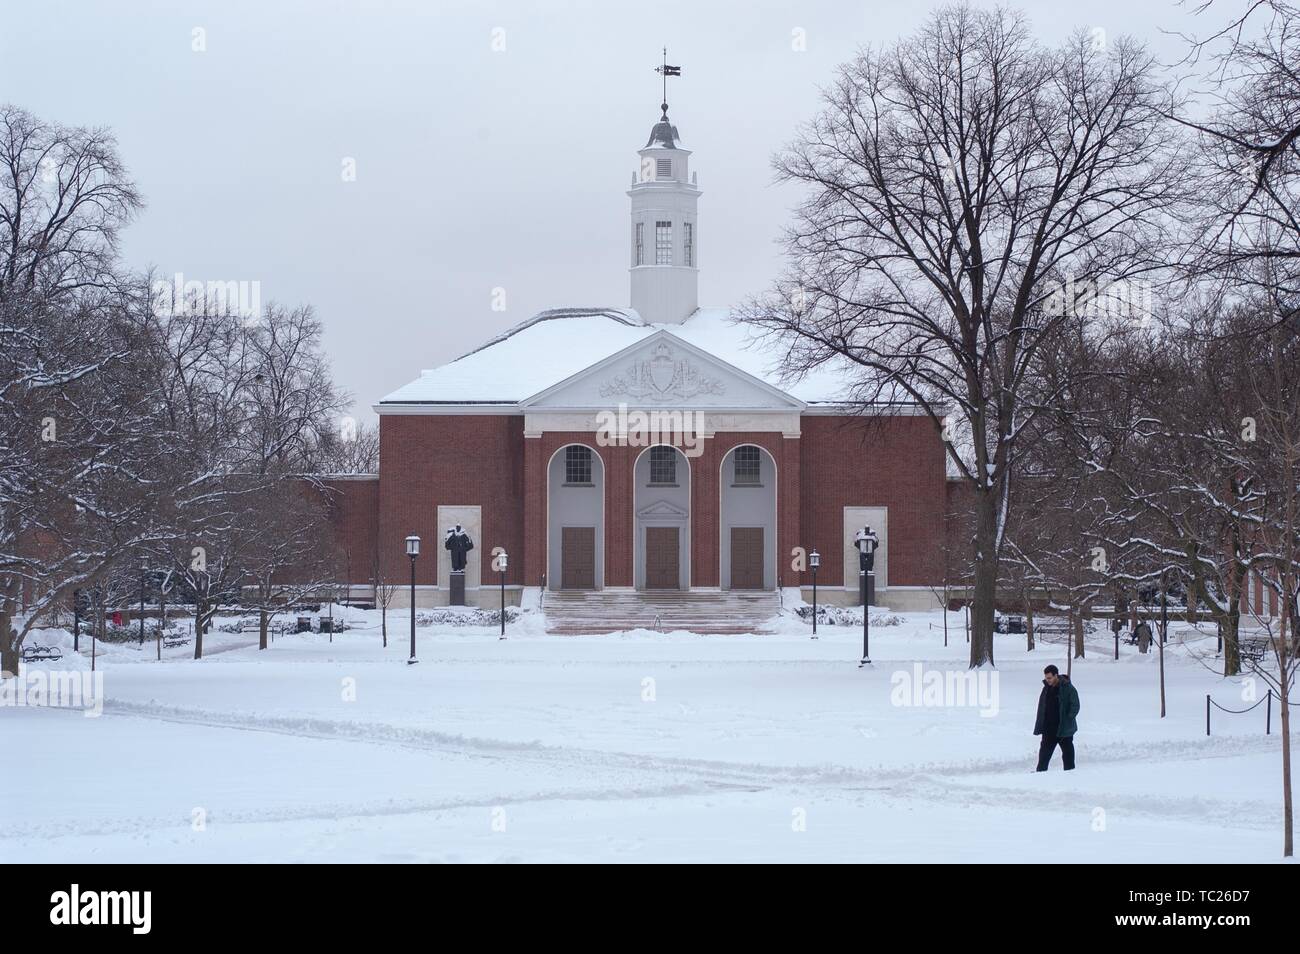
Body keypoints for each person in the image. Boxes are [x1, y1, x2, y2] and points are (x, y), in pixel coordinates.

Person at [1033, 664, 1079, 771]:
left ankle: (1070, 774)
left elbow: (1075, 706)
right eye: (1046, 678)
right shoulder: (1046, 689)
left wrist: (1067, 719)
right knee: (1044, 756)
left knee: (1068, 755)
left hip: (1063, 728)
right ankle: (1040, 774)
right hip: (1048, 729)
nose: (1047, 680)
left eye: (1049, 678)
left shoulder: (1068, 688)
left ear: (1056, 676)